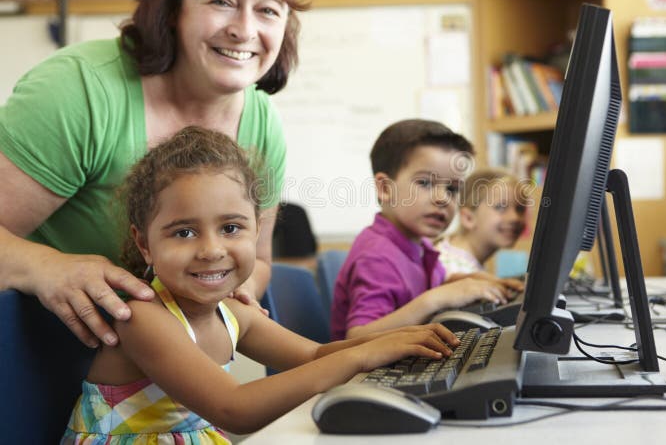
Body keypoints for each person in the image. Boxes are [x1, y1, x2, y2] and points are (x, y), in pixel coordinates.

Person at [0, 0, 306, 349]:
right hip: (28, 359)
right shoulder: (80, 90)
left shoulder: (262, 122)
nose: (244, 29)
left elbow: (258, 261)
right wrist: (43, 265)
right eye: (221, 0)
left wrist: (239, 287)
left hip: (155, 378)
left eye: (268, 10)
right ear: (171, 9)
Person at [60, 126, 457, 443]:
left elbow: (314, 356)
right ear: (145, 244)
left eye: (231, 227)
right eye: (183, 233)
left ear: (257, 232)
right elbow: (234, 408)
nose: (211, 250)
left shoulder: (233, 313)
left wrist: (396, 341)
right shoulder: (141, 317)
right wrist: (362, 357)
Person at [330, 119, 520, 340]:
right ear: (385, 188)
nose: (442, 198)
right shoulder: (376, 255)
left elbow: (415, 292)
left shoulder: (419, 246)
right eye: (425, 183)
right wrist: (437, 298)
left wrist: (467, 282)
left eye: (452, 189)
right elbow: (357, 337)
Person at [436, 168, 533, 281]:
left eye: (520, 209)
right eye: (500, 207)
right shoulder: (457, 271)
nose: (515, 218)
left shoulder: (460, 258)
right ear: (468, 218)